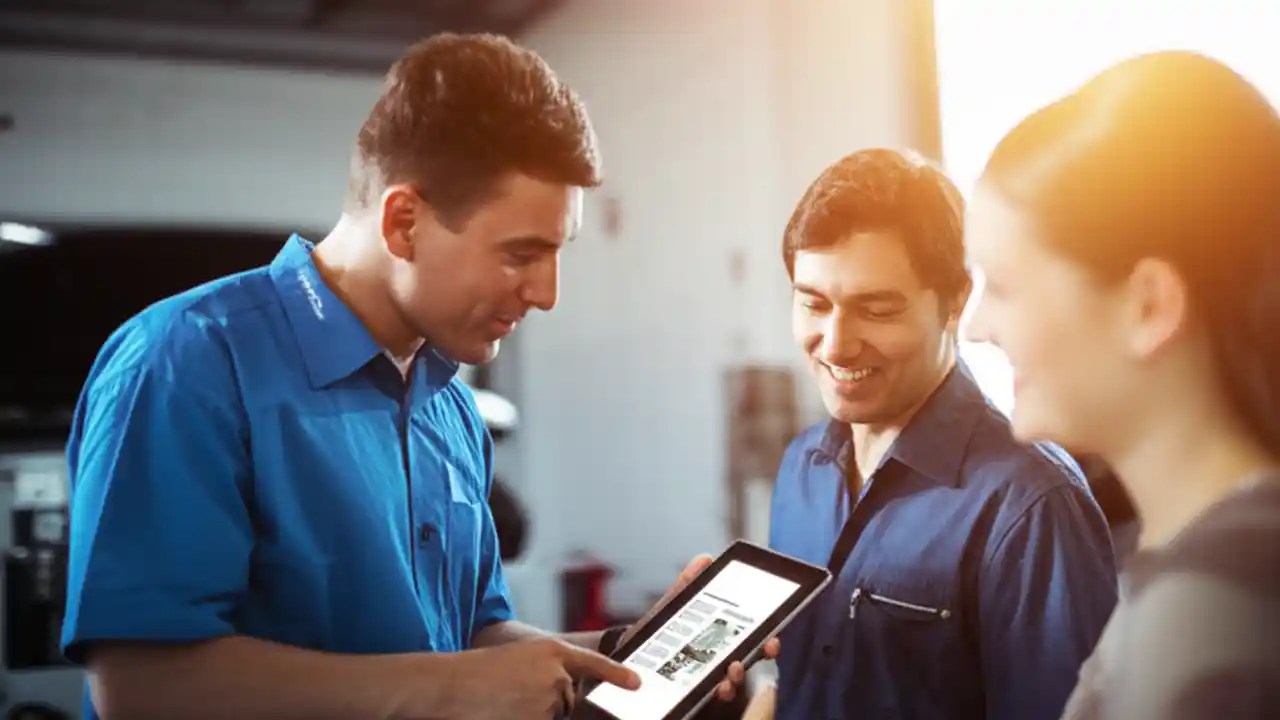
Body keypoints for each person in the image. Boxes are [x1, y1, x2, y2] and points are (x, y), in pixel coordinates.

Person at [61, 33, 768, 720]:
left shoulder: (449, 407)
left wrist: (628, 656)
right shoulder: (187, 360)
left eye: (558, 254)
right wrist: (442, 691)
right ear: (403, 222)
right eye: (522, 254)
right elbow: (139, 683)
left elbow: (472, 641)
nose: (548, 293)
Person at [748, 149, 1118, 719]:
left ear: (955, 301)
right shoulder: (803, 468)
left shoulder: (1031, 506)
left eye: (876, 310)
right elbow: (800, 676)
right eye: (813, 304)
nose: (837, 343)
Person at [965, 50, 1280, 719]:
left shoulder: (1207, 616)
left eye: (1005, 286)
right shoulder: (1187, 571)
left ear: (1148, 307)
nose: (976, 328)